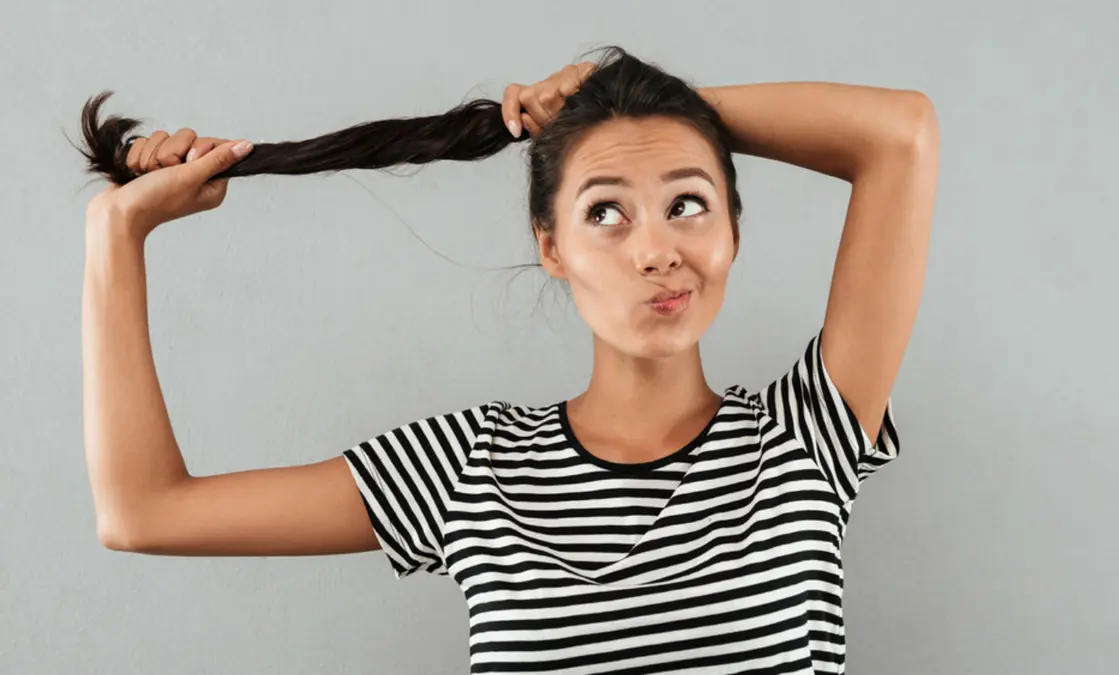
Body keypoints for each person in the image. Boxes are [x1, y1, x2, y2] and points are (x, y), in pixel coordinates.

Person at [81, 48, 939, 673]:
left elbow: (901, 134)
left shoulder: (806, 436)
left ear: (733, 232)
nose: (657, 250)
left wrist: (647, 108)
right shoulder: (468, 468)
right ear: (551, 247)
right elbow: (145, 511)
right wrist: (116, 235)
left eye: (688, 203)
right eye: (606, 212)